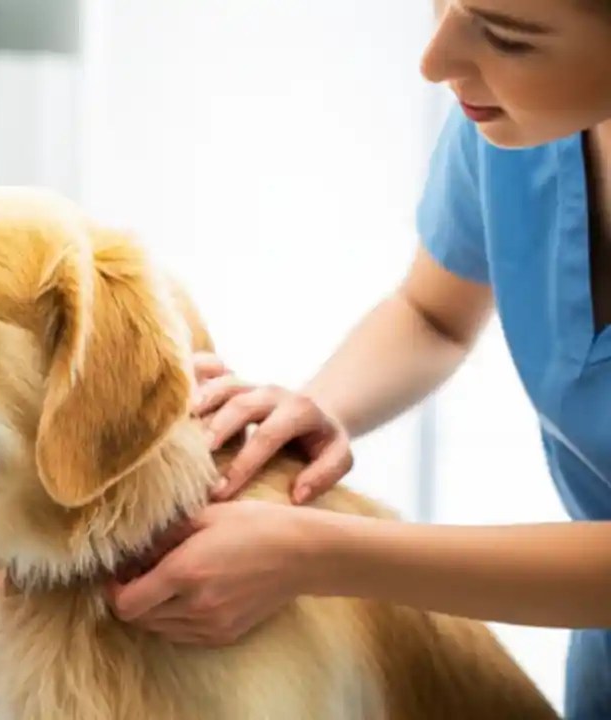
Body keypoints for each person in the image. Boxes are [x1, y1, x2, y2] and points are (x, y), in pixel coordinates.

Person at [107, 1, 611, 718]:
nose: (435, 62)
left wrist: (322, 556)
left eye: (505, 36)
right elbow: (431, 315)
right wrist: (314, 409)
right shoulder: (513, 123)